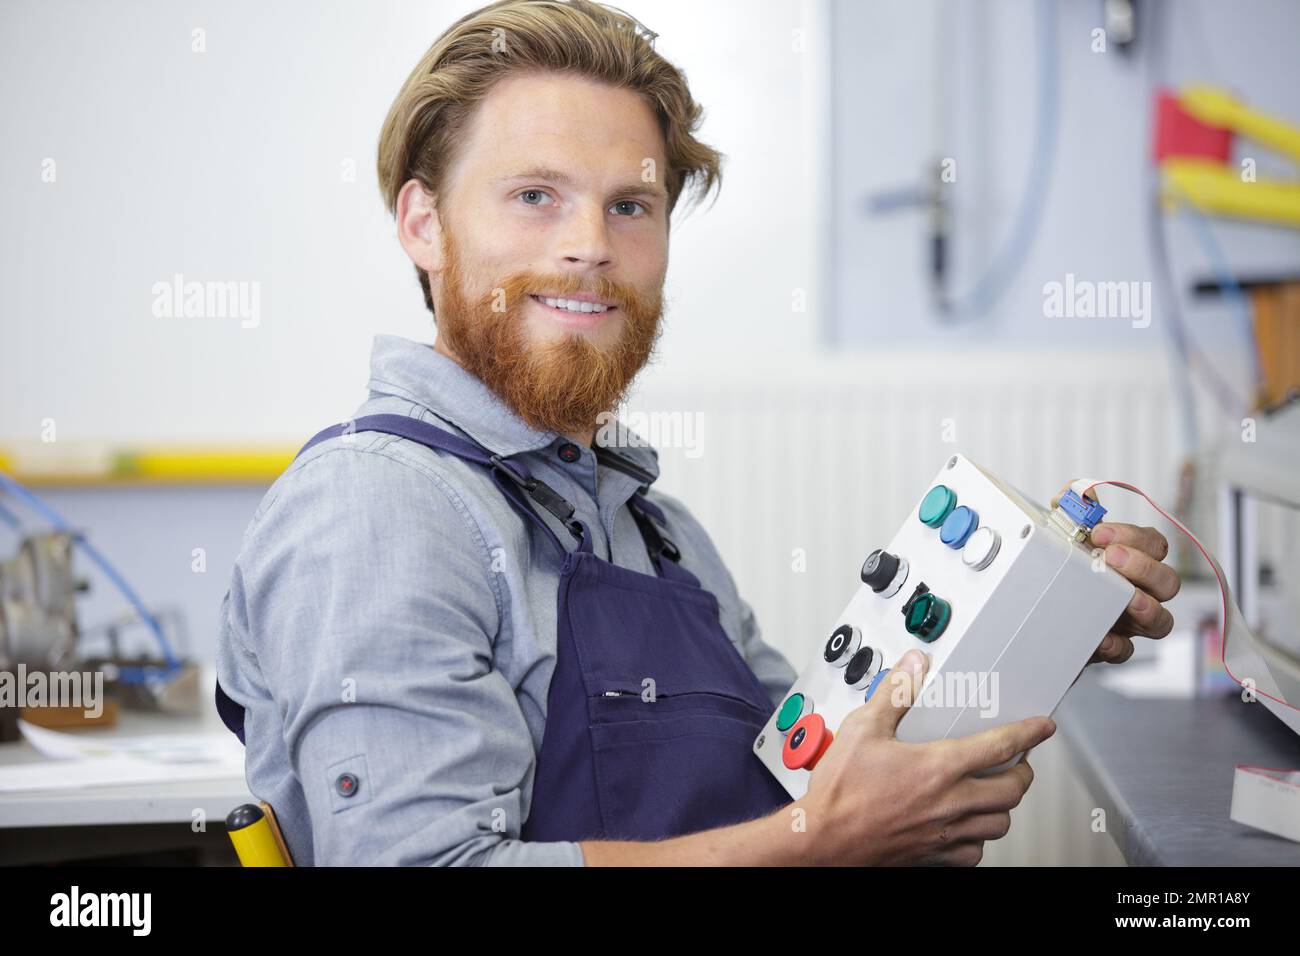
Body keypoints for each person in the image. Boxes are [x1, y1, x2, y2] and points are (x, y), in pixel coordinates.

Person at [214, 0, 1180, 866]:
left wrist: (1030, 629)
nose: (591, 244)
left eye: (630, 205)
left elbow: (830, 796)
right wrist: (822, 841)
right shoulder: (378, 508)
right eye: (534, 195)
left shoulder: (658, 532)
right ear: (423, 225)